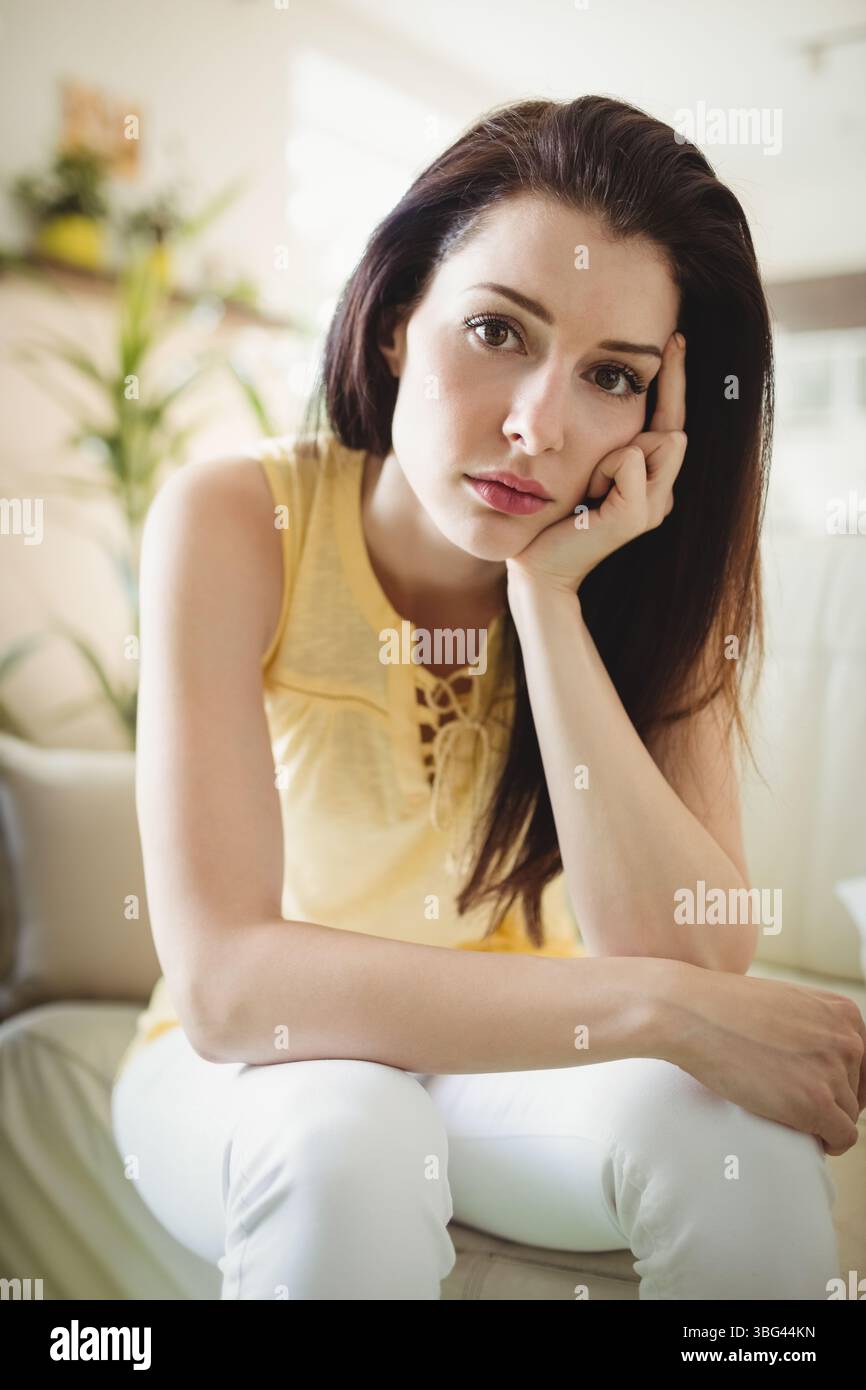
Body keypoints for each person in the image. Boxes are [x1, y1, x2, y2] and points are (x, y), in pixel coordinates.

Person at [111, 94, 865, 1300]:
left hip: (508, 1075)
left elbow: (691, 951)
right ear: (399, 319)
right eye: (499, 332)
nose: (534, 427)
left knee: (734, 1142)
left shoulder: (641, 581)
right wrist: (656, 1009)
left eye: (610, 376)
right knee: (345, 1134)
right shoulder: (236, 519)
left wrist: (550, 604)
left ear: (654, 421)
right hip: (260, 1077)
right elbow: (230, 990)